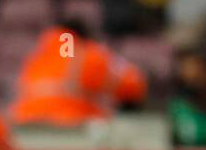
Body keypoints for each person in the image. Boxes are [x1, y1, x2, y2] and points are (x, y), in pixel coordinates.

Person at [8, 21, 147, 127]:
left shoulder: (37, 57)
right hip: (72, 125)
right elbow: (134, 85)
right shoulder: (89, 53)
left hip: (26, 124)